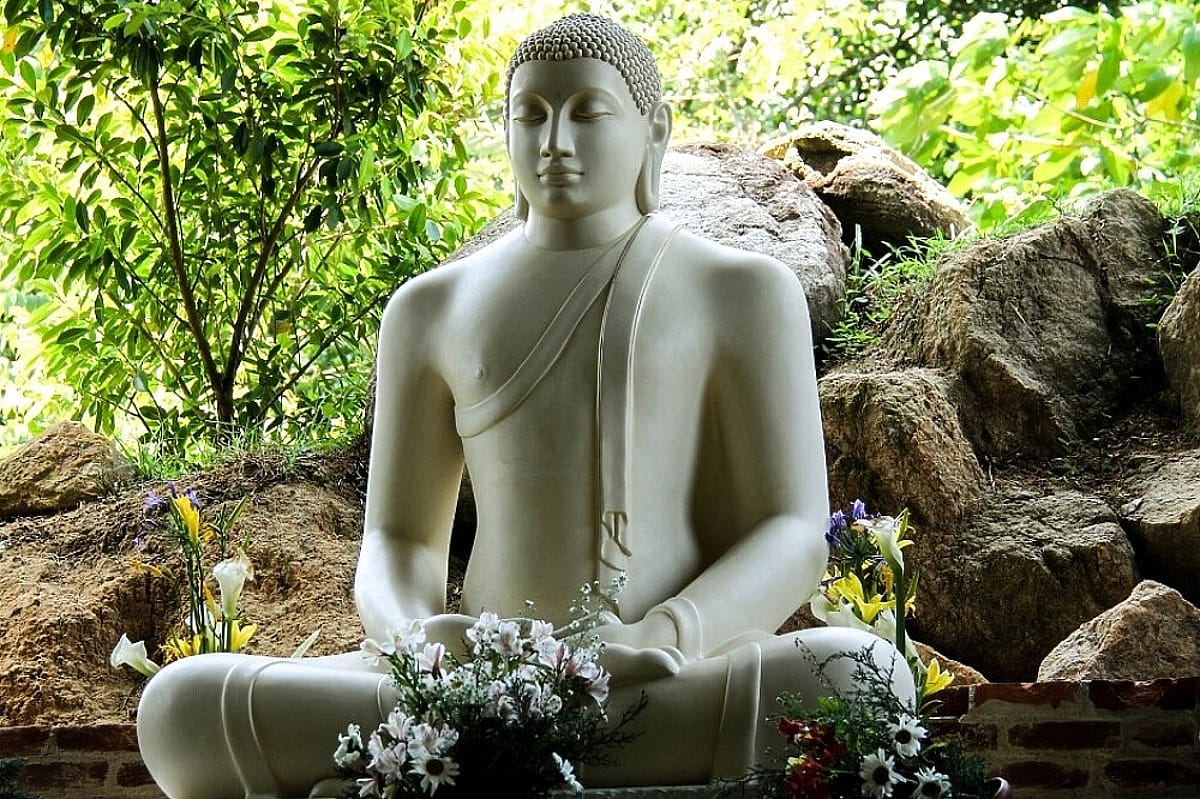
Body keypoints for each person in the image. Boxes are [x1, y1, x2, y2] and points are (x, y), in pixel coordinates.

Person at [137, 14, 913, 798]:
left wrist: (664, 634)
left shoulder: (738, 291)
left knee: (860, 676)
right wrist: (415, 641)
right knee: (180, 708)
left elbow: (788, 530)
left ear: (653, 130)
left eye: (587, 112)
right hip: (473, 684)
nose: (554, 143)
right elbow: (398, 537)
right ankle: (532, 749)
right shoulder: (430, 309)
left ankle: (477, 761)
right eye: (531, 116)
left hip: (651, 677)